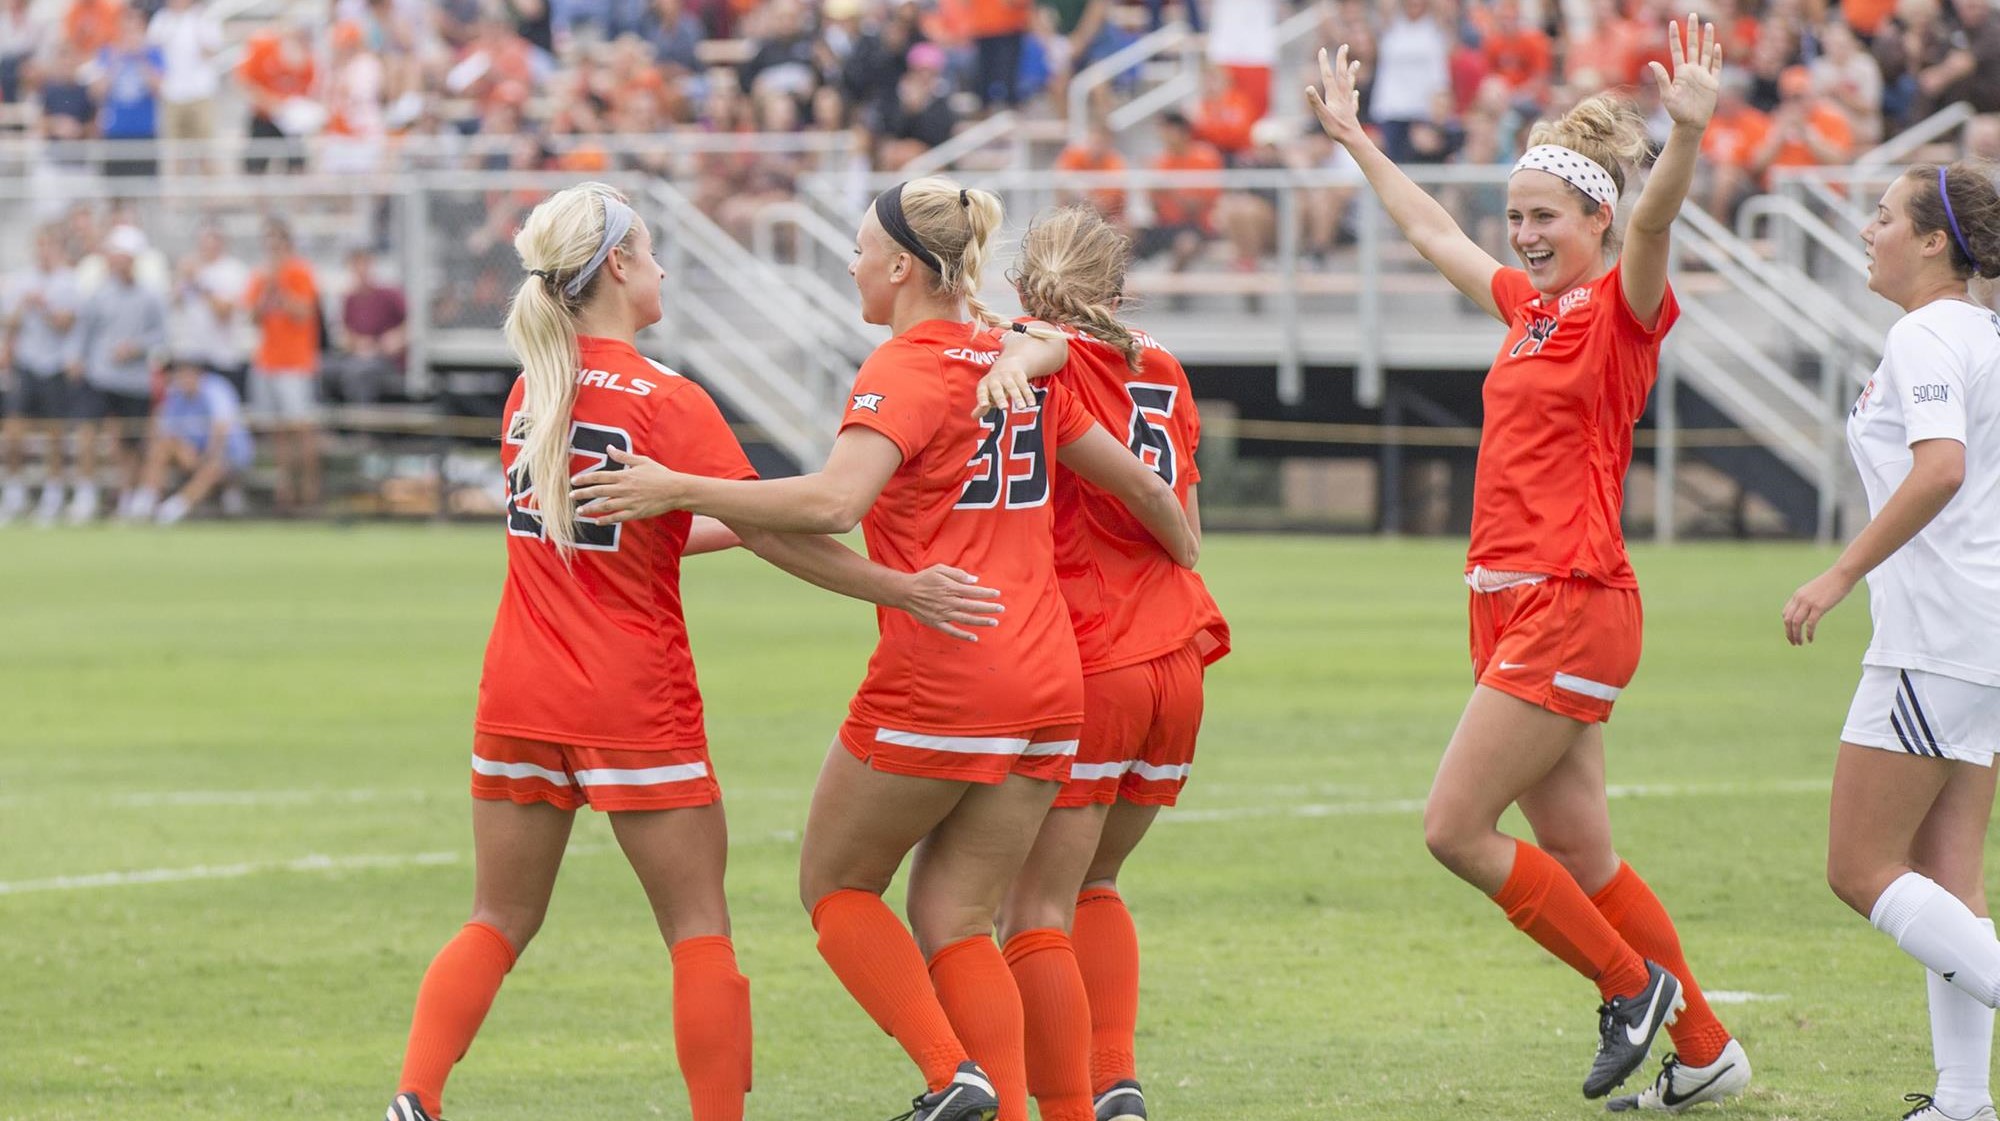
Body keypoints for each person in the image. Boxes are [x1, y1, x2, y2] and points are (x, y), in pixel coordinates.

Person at [379, 181, 1023, 1121]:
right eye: (651, 253)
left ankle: (415, 1096)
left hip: (517, 687)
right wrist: (897, 586)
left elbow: (650, 527)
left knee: (497, 918)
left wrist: (727, 511)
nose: (666, 267)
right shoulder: (669, 400)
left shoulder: (534, 387)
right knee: (698, 930)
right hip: (632, 695)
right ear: (617, 270)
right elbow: (774, 531)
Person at [567, 176, 1200, 1121]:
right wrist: (1184, 541)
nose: (850, 263)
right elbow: (1139, 481)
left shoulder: (903, 368)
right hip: (1049, 680)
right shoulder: (1013, 355)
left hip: (945, 664)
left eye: (858, 249)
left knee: (835, 885)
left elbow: (832, 504)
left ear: (902, 267)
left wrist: (680, 484)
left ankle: (956, 1075)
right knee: (960, 919)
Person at [1306, 18, 1754, 1107]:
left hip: (1570, 595)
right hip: (1506, 602)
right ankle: (1704, 1052)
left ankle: (1627, 985)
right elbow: (1428, 233)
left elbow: (1651, 220)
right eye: (1513, 217)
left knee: (1453, 828)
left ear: (1594, 218)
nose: (1520, 234)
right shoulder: (1527, 310)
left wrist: (1682, 139)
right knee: (1580, 853)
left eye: (1542, 216)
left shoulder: (1619, 308)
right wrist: (1356, 141)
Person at [974, 205, 1231, 1121]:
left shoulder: (1033, 352)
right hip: (1181, 653)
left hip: (1090, 651)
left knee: (1031, 908)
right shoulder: (1158, 361)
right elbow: (1190, 532)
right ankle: (1115, 1078)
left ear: (1023, 289)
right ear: (1116, 286)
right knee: (1095, 882)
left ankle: (1075, 1103)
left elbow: (1035, 351)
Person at [1789, 158, 2000, 1121]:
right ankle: (1962, 1104)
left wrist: (1839, 572)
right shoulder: (1983, 334)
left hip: (1938, 635)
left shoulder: (1926, 332)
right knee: (1953, 882)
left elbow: (1941, 469)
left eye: (1882, 216)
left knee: (1858, 866)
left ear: (1931, 241)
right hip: (1978, 632)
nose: (1866, 230)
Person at [71, 224, 167, 525]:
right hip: (100, 376)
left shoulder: (150, 296)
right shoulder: (99, 293)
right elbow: (84, 331)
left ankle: (127, 498)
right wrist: (77, 358)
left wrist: (135, 348)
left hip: (134, 381)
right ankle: (85, 494)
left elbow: (162, 337)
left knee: (129, 443)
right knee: (87, 432)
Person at [0, 228, 83, 524]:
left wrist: (43, 305)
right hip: (26, 364)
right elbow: (10, 321)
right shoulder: (22, 280)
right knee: (13, 431)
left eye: (49, 246)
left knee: (54, 435)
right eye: (40, 246)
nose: (43, 252)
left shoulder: (67, 282)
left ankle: (53, 492)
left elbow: (66, 323)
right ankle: (14, 490)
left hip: (54, 366)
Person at [244, 218, 321, 513]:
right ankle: (285, 494)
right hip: (268, 362)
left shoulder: (300, 272)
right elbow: (252, 317)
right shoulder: (259, 277)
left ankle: (310, 493)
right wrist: (267, 291)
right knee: (278, 433)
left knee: (302, 429)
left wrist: (279, 286)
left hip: (296, 363)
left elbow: (303, 313)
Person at [122, 351, 252, 524]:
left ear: (198, 373)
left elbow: (221, 429)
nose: (182, 376)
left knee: (213, 466)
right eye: (180, 372)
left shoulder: (215, 389)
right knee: (163, 446)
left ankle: (173, 510)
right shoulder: (175, 393)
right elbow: (163, 429)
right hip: (194, 453)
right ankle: (145, 502)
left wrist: (206, 457)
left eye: (187, 371)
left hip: (228, 456)